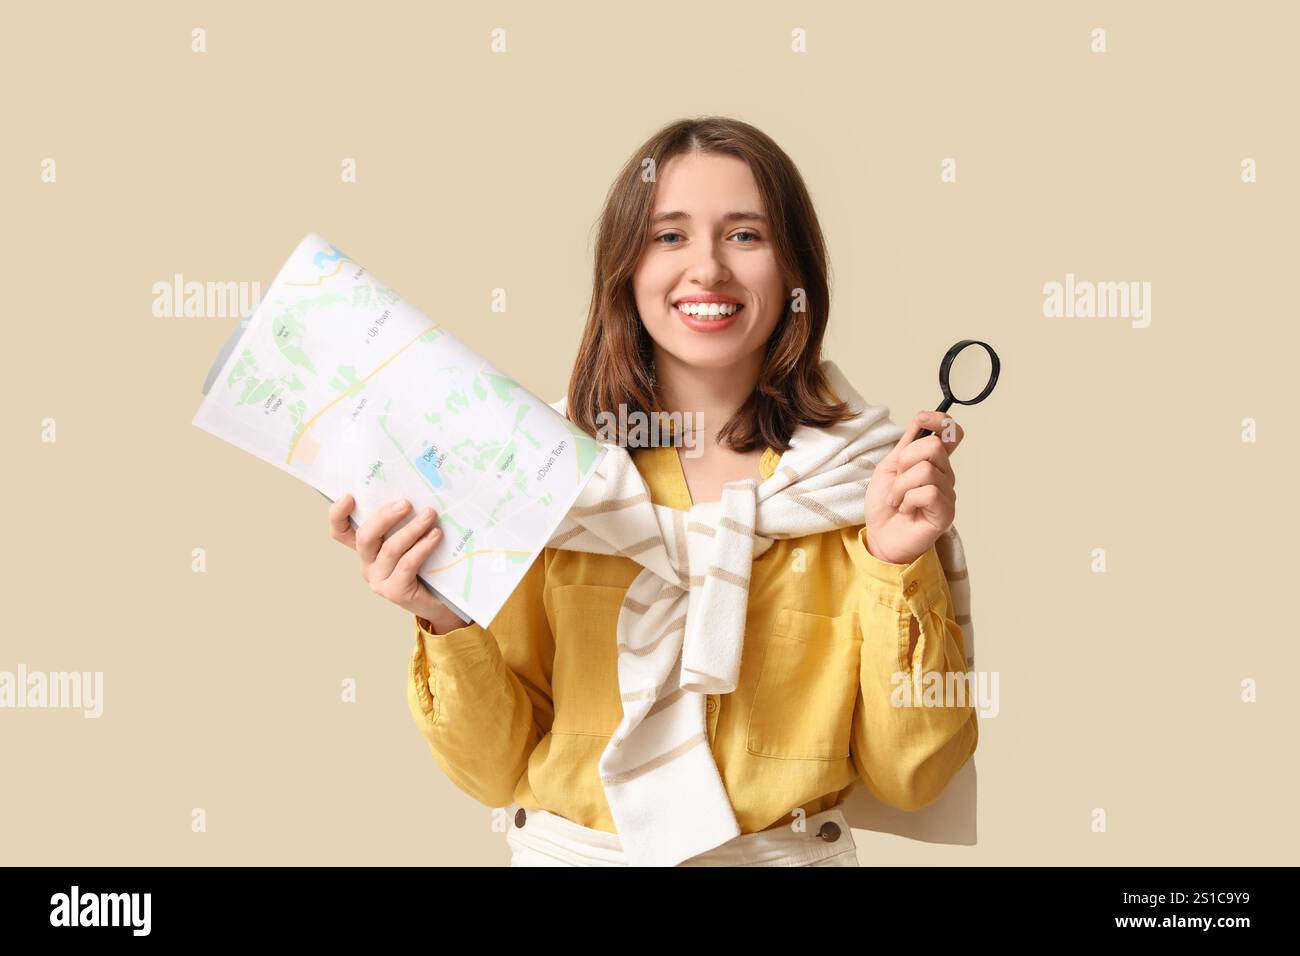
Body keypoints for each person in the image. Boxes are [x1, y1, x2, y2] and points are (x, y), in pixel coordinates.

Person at [327, 116, 977, 866]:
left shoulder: (867, 486)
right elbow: (492, 770)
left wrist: (896, 565)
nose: (707, 269)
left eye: (745, 235)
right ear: (625, 270)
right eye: (670, 236)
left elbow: (912, 775)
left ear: (795, 270)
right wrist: (441, 614)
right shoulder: (540, 474)